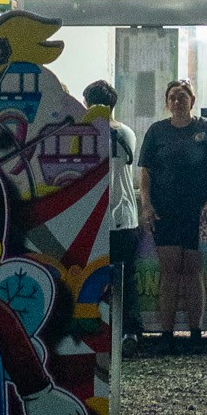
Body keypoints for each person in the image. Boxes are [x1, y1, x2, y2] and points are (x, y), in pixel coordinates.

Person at [139, 81, 207, 341]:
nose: (178, 101)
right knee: (170, 272)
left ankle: (196, 332)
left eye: (182, 96)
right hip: (166, 211)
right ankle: (167, 334)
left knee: (193, 271)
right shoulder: (156, 132)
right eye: (173, 97)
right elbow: (146, 174)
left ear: (192, 100)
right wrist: (147, 206)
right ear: (167, 102)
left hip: (198, 213)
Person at [83, 82, 143, 332]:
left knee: (91, 279)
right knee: (125, 279)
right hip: (125, 216)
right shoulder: (127, 132)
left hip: (97, 217)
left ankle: (97, 330)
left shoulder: (86, 135)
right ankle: (129, 331)